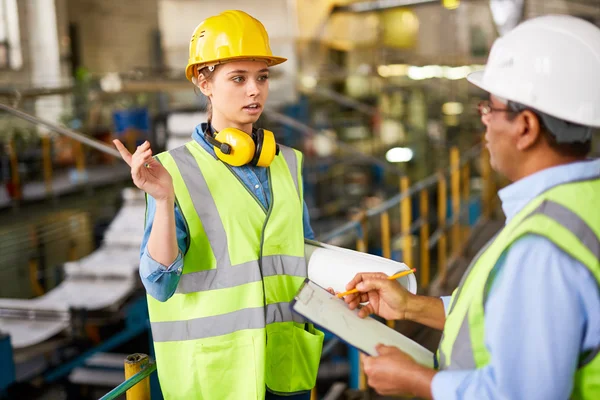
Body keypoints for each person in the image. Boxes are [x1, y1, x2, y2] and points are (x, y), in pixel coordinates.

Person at [342, 14, 600, 400]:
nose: (484, 124)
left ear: (525, 127)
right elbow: (515, 317)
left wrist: (416, 380)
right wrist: (412, 307)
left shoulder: (544, 246)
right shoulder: (582, 202)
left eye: (489, 110)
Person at [113, 10, 323, 400]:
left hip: (285, 365)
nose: (254, 91)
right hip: (219, 375)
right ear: (204, 82)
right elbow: (158, 284)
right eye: (238, 78)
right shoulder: (174, 171)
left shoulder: (288, 163)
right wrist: (162, 200)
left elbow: (304, 251)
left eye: (262, 77)